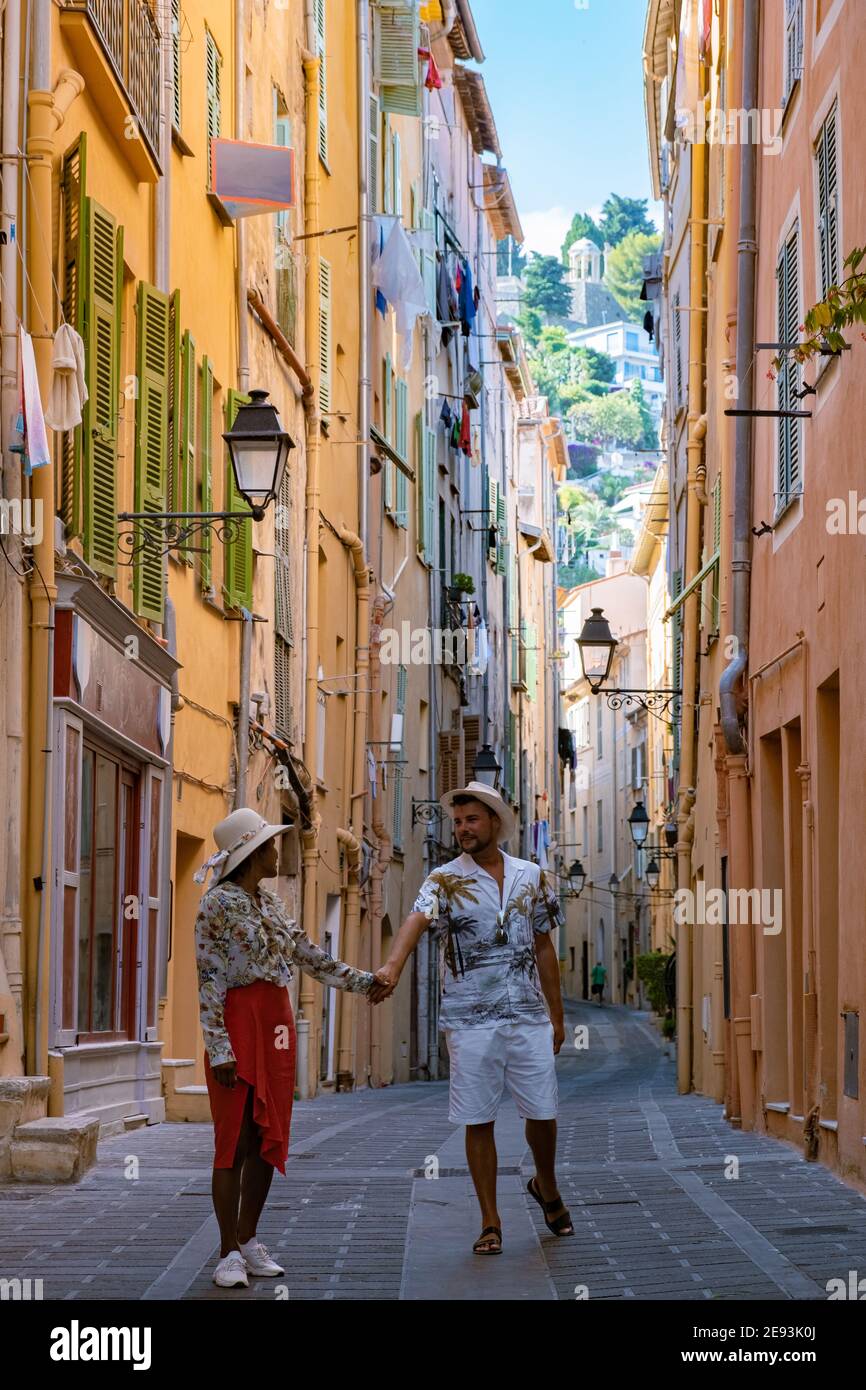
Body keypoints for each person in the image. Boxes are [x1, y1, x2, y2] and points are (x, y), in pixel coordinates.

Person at [370, 781, 574, 1255]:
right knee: (477, 1118)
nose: (461, 829)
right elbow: (416, 922)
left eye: (471, 820)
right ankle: (490, 1221)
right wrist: (392, 967)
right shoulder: (442, 880)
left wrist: (557, 1017)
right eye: (457, 821)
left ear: (495, 823)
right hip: (469, 1019)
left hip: (527, 1015)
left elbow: (545, 948)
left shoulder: (533, 877)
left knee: (543, 1112)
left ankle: (545, 1183)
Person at [194, 808, 380, 1289]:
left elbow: (308, 955)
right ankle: (226, 1251)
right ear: (254, 853)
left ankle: (249, 1238)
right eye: (272, 845)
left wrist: (365, 983)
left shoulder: (271, 905)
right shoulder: (215, 905)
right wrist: (218, 1047)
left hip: (275, 1021)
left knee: (266, 1134)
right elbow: (209, 976)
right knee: (232, 1139)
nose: (280, 851)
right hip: (237, 1021)